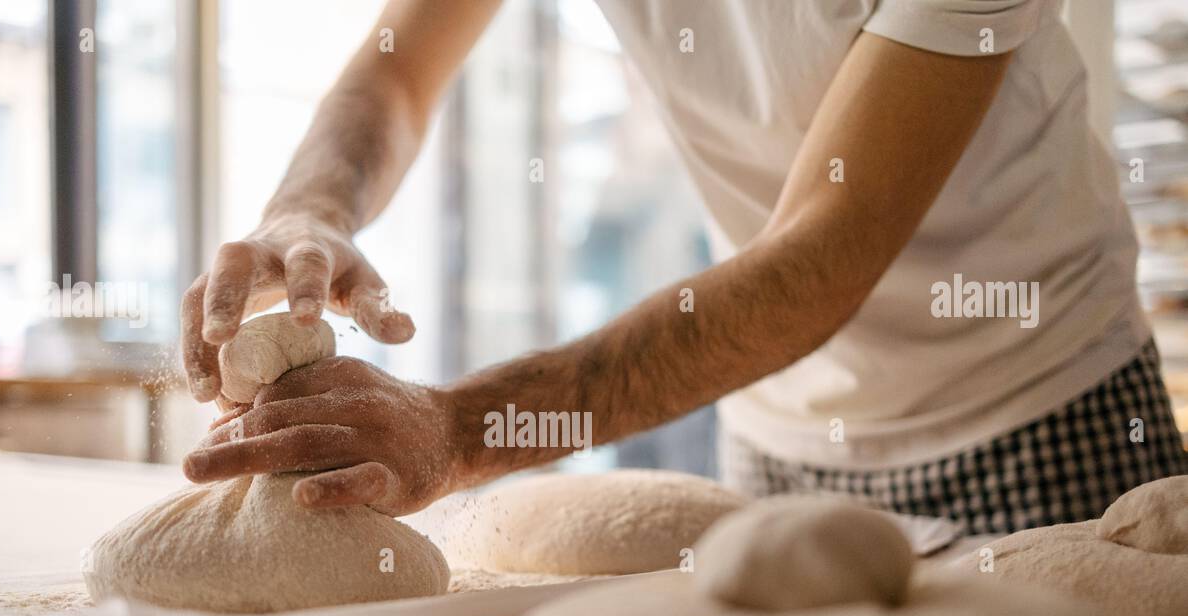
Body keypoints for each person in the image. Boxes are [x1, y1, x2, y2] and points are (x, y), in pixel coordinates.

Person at [179, 0, 1188, 534]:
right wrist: (309, 203)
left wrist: (456, 431)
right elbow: (397, 67)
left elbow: (820, 256)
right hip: (772, 429)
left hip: (1043, 402)